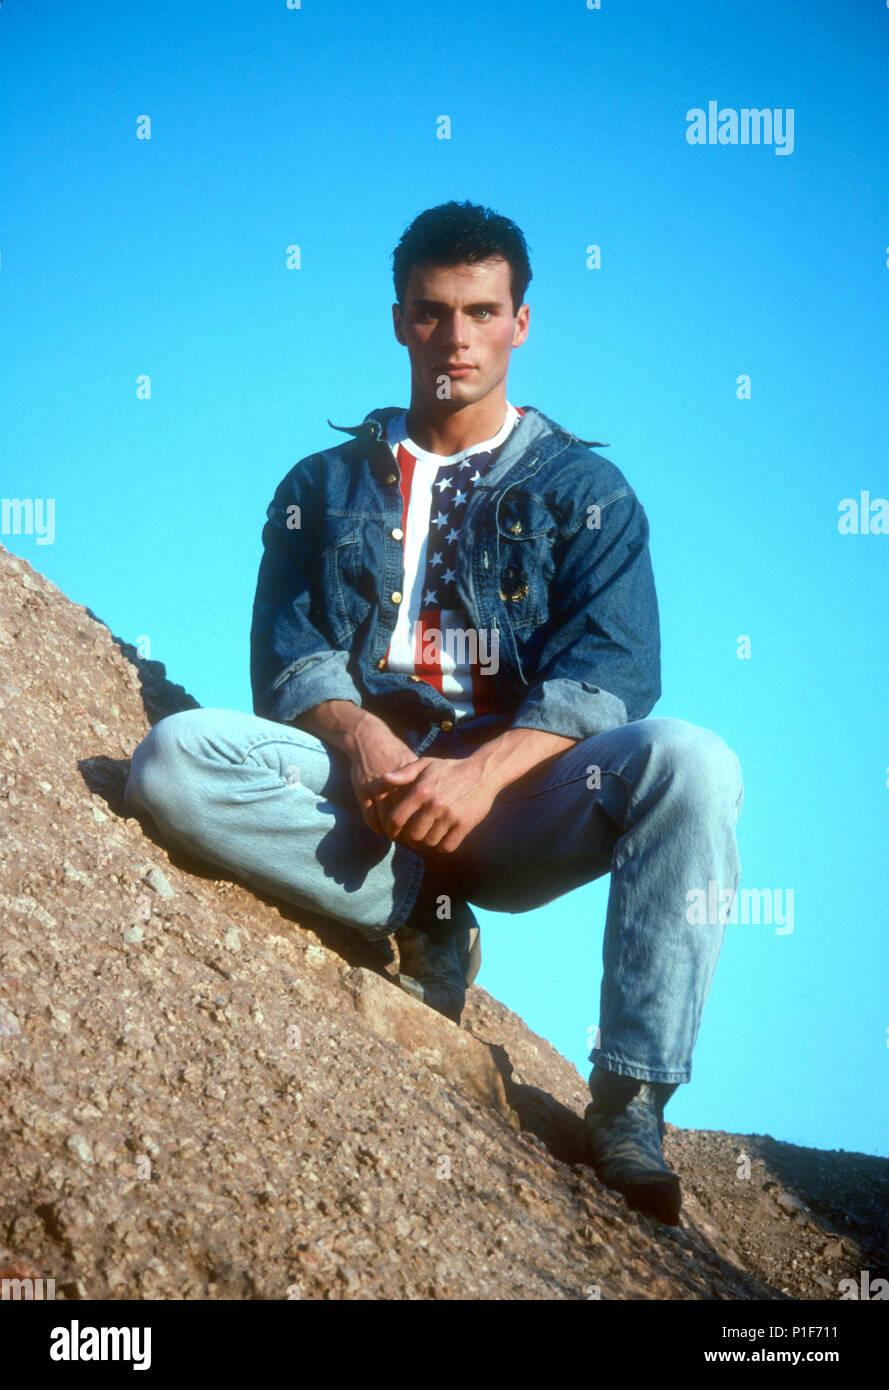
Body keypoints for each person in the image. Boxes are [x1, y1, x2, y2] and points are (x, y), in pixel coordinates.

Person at [125, 200, 744, 1225]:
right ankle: (422, 916)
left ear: (520, 323)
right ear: (400, 319)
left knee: (695, 762)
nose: (456, 337)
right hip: (366, 802)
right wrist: (362, 736)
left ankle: (631, 1102)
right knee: (172, 759)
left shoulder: (586, 490)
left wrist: (482, 772)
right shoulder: (320, 485)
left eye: (480, 311)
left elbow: (612, 672)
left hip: (516, 804)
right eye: (432, 312)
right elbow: (287, 652)